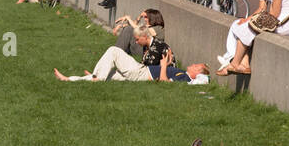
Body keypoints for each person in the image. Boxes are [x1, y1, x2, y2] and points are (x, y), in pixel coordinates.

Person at [55, 45, 209, 83]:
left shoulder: (185, 78)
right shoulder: (182, 73)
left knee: (114, 50)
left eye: (197, 65)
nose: (193, 63)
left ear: (198, 73)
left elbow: (164, 82)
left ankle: (97, 76)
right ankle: (69, 79)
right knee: (109, 76)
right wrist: (167, 63)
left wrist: (164, 66)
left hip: (142, 73)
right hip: (141, 73)